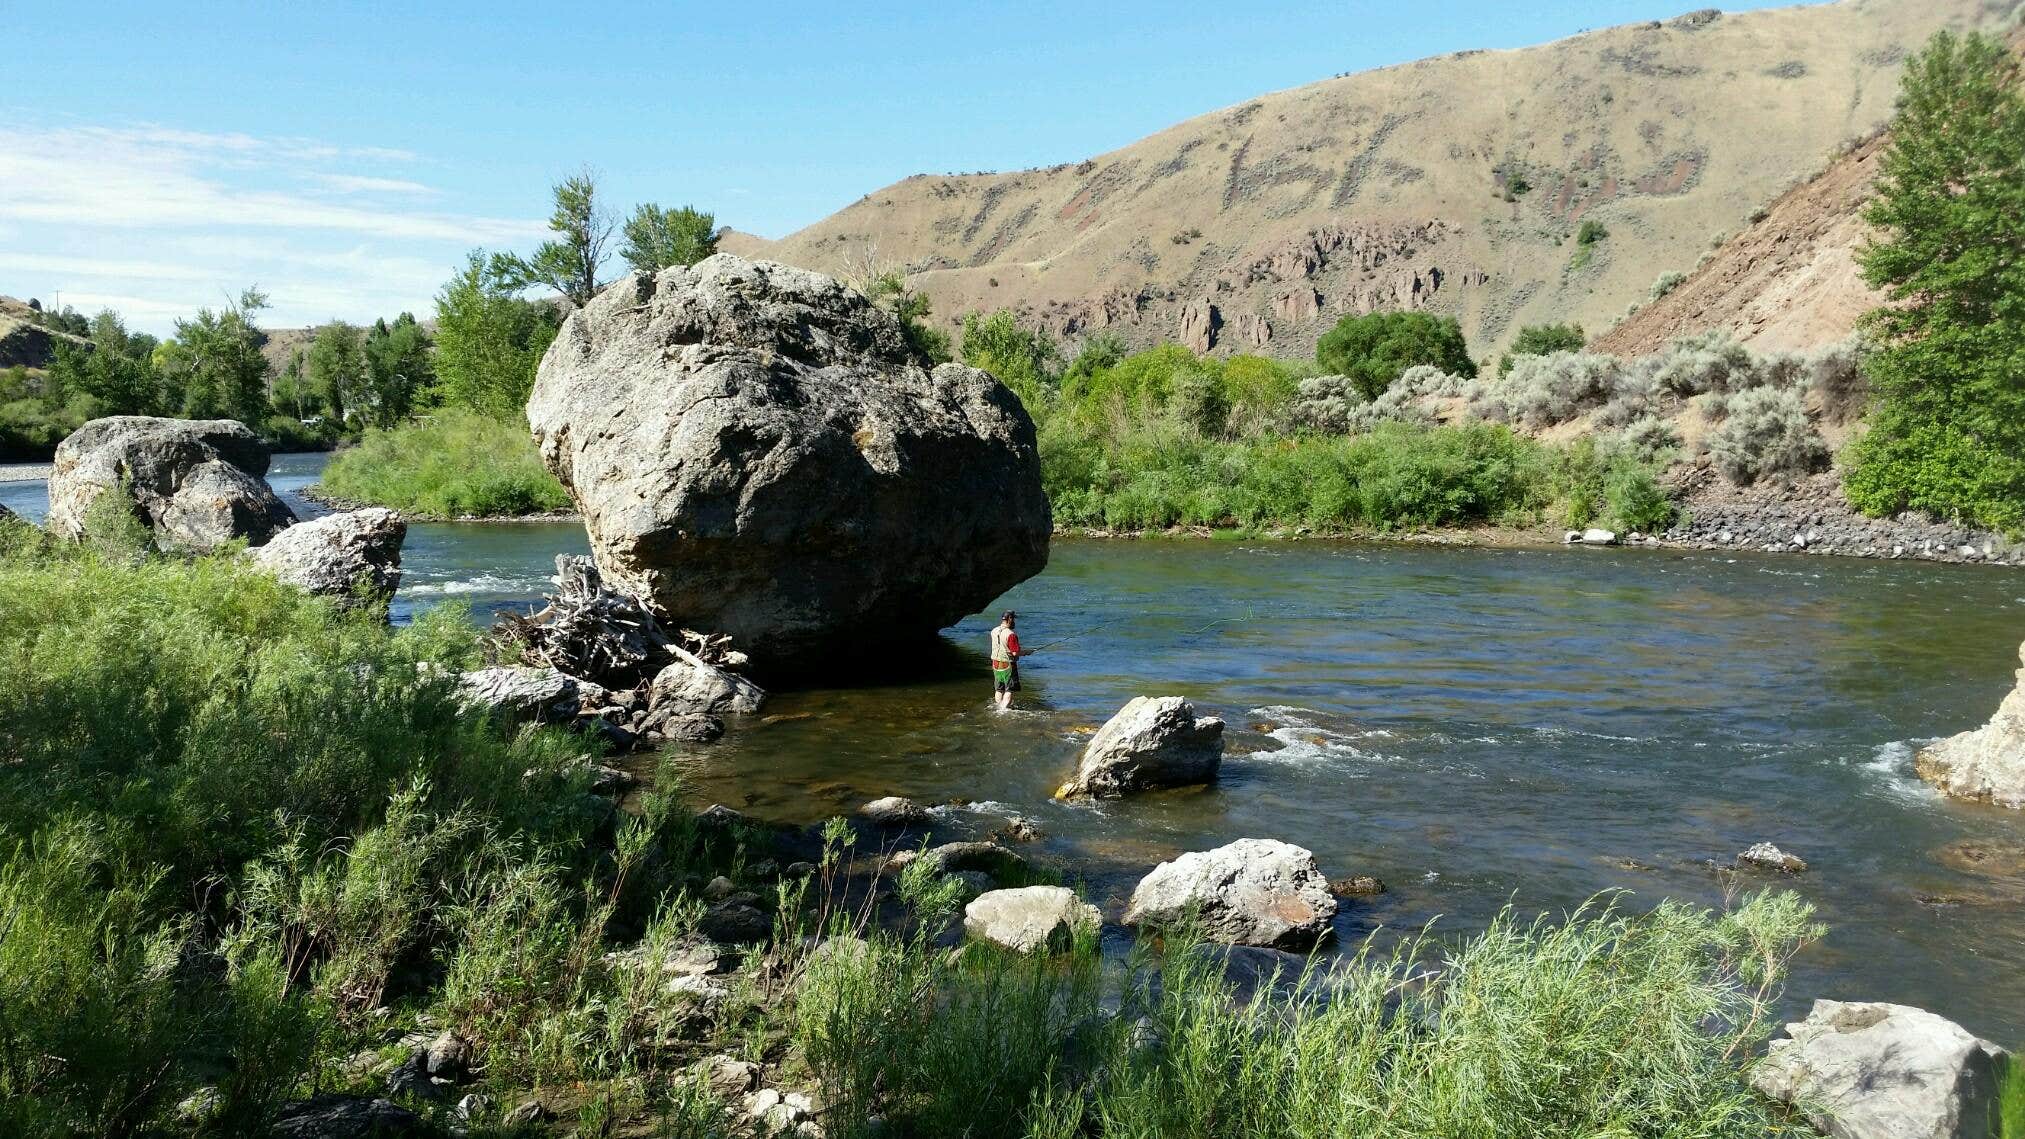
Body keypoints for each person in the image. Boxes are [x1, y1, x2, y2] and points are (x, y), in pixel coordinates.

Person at [989, 610, 1022, 710]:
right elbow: (1015, 653)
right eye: (1013, 619)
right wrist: (1027, 652)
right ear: (1009, 619)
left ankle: (999, 706)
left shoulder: (993, 631)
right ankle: (1002, 711)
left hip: (995, 663)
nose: (1014, 621)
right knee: (1009, 689)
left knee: (999, 688)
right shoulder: (1011, 634)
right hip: (1008, 665)